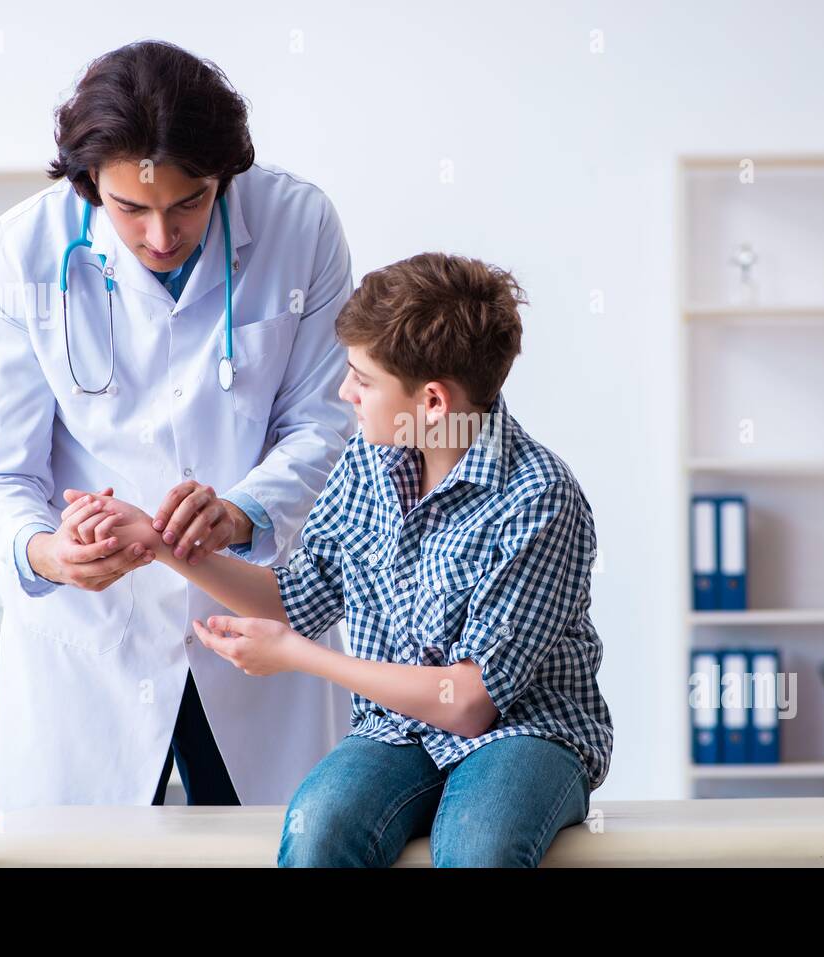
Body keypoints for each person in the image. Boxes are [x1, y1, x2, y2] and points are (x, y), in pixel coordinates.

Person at [63, 253, 614, 866]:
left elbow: (467, 702)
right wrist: (162, 543)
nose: (344, 392)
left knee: (478, 845)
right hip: (397, 731)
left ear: (431, 402)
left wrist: (297, 657)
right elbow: (299, 598)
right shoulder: (369, 460)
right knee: (316, 829)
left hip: (521, 732)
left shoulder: (538, 497)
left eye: (363, 379)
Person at [0, 40, 354, 813]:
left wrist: (241, 510)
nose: (162, 237)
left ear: (226, 177)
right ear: (86, 185)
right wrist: (49, 553)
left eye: (190, 203)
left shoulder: (299, 225)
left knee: (283, 842)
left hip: (248, 619)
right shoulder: (20, 252)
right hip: (93, 632)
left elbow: (328, 423)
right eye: (131, 209)